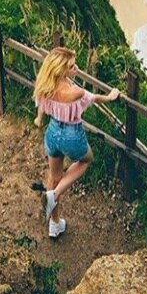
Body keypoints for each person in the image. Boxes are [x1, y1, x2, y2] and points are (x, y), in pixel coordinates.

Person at [34, 46, 120, 238]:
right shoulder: (76, 92)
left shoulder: (46, 85)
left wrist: (39, 119)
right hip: (71, 135)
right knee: (86, 159)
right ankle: (53, 196)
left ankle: (55, 224)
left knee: (54, 176)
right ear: (61, 70)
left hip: (52, 132)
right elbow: (94, 98)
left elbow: (40, 102)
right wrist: (111, 96)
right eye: (72, 66)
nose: (77, 69)